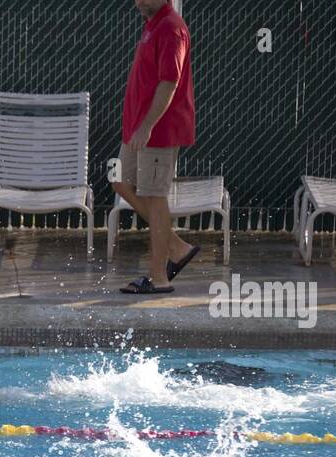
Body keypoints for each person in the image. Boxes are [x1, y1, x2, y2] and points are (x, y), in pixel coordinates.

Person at [114, 0, 198, 296]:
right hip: (139, 129)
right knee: (119, 180)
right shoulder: (152, 26)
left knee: (154, 195)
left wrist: (148, 125)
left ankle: (159, 277)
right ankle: (175, 245)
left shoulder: (172, 28)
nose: (137, 1)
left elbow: (169, 82)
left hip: (158, 131)